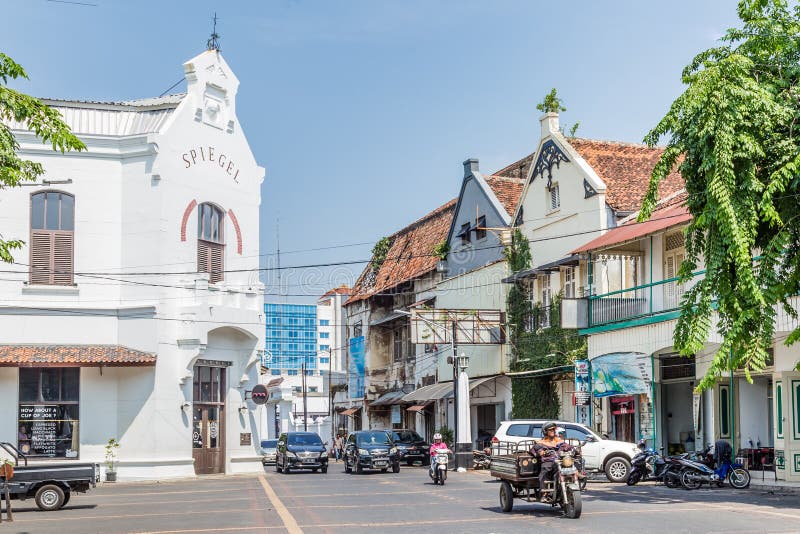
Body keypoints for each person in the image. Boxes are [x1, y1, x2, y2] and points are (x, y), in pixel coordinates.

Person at [531, 422, 572, 501]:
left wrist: (574, 449)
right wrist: (542, 452)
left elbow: (567, 446)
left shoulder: (559, 441)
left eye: (553, 429)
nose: (553, 431)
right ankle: (544, 493)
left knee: (572, 463)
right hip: (548, 461)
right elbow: (537, 450)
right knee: (544, 471)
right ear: (545, 431)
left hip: (559, 461)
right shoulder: (541, 443)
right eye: (550, 430)